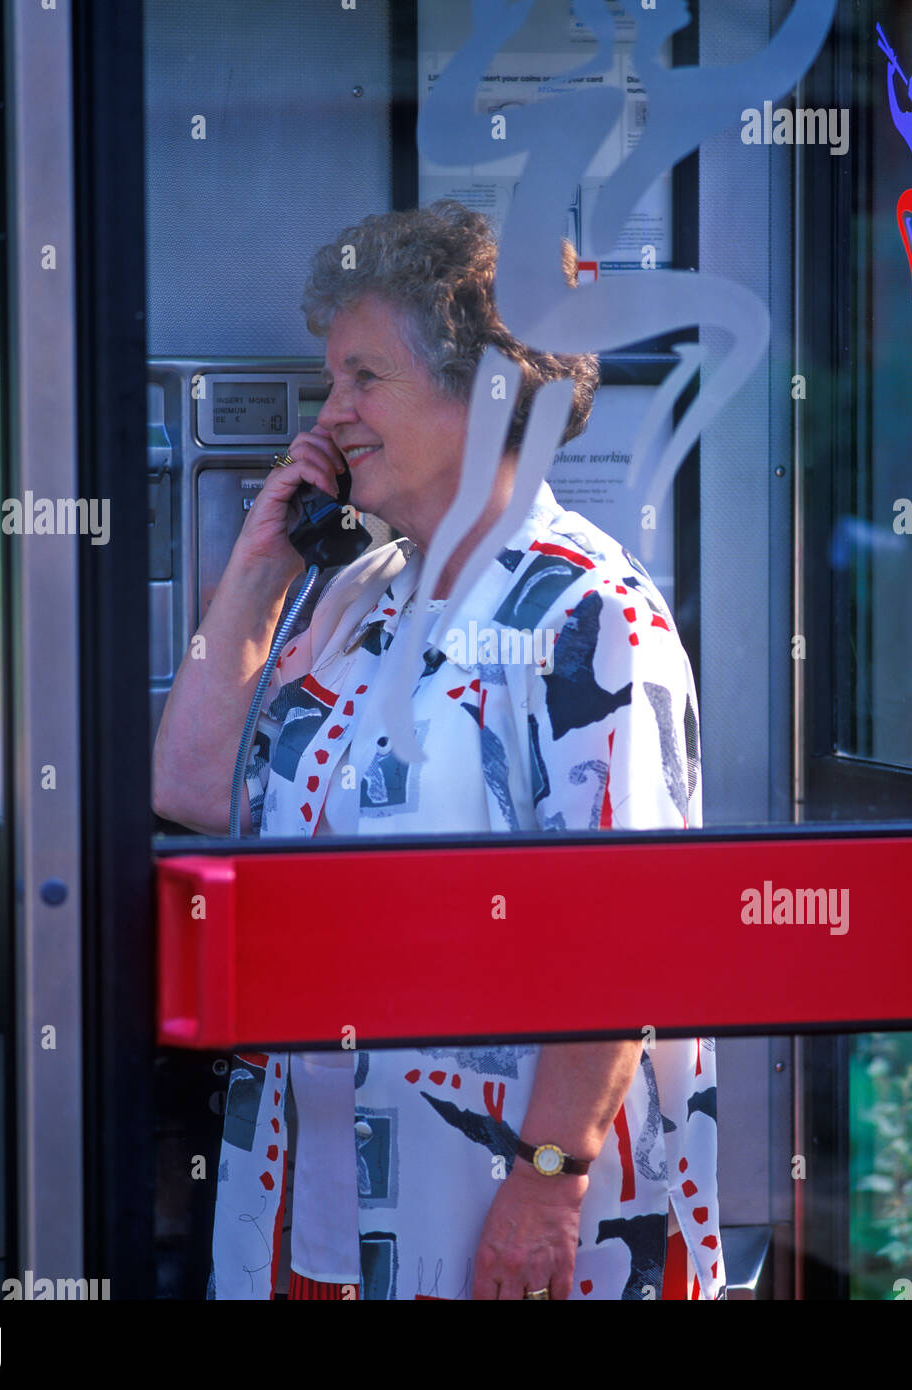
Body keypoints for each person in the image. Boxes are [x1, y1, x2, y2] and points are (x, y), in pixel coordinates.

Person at [152, 200, 724, 1300]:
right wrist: (264, 569)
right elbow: (188, 785)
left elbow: (633, 923)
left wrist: (549, 1181)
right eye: (335, 381)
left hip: (489, 1203)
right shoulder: (369, 589)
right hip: (319, 1191)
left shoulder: (584, 611)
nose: (334, 414)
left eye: (364, 378)